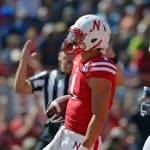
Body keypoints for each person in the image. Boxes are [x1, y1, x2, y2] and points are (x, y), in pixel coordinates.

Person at [43, 14, 123, 150]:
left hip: (81, 138)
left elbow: (99, 115)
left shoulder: (100, 67)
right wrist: (65, 103)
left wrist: (86, 146)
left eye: (79, 36)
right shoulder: (79, 58)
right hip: (66, 132)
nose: (73, 40)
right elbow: (79, 96)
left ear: (94, 39)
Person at [14, 41, 73, 150]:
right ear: (59, 56)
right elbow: (20, 88)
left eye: (74, 53)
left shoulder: (82, 77)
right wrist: (24, 62)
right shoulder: (48, 77)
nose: (70, 55)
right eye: (67, 52)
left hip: (73, 131)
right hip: (51, 130)